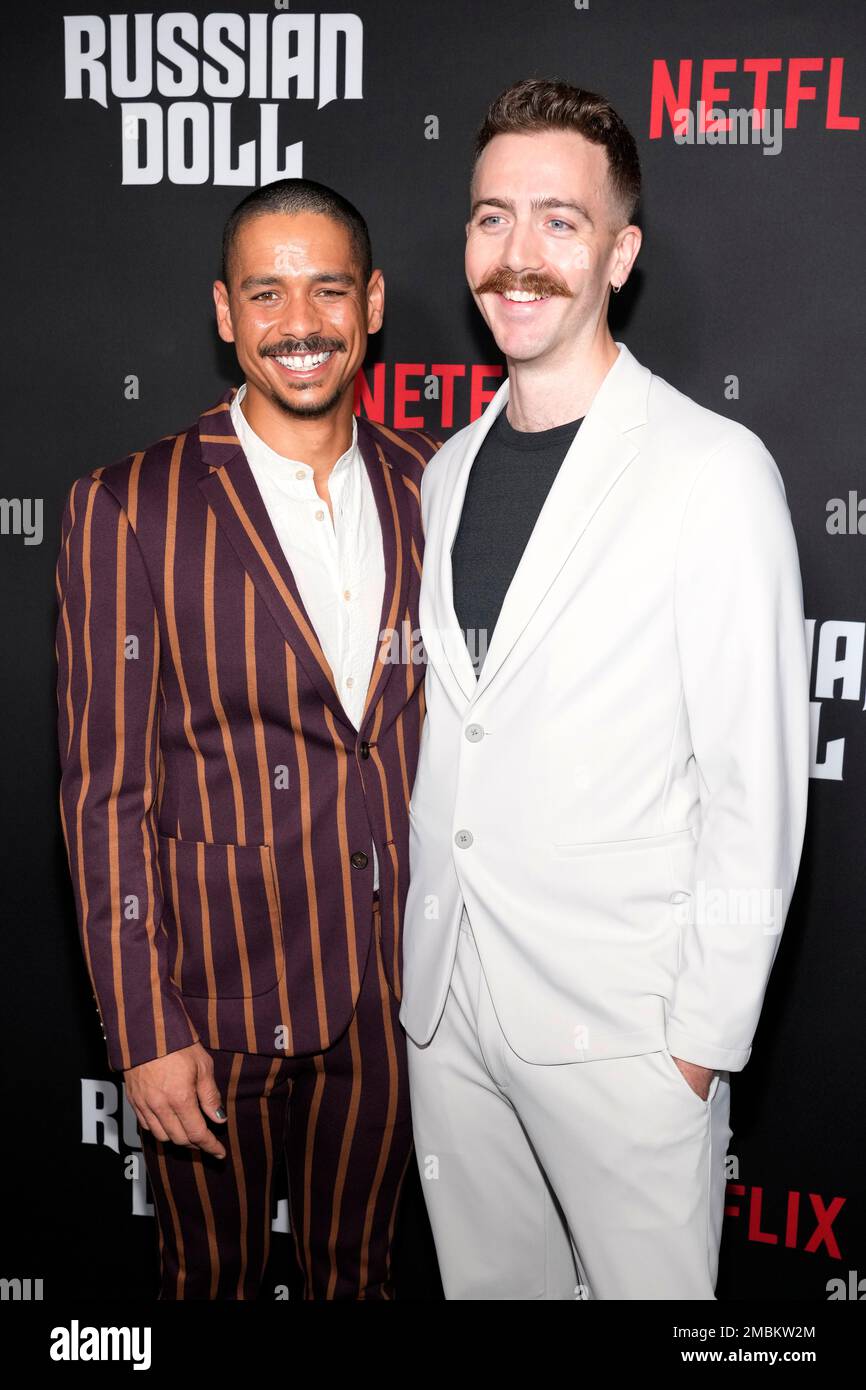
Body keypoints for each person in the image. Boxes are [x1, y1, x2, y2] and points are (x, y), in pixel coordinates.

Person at [400, 78, 811, 1300]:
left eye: (556, 221)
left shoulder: (711, 469)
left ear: (619, 252)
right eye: (489, 218)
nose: (514, 257)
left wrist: (695, 1045)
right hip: (449, 1007)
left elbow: (755, 785)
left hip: (624, 1033)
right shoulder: (448, 469)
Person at [55, 177, 439, 1299]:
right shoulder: (130, 504)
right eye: (266, 294)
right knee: (208, 1279)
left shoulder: (437, 487)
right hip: (211, 999)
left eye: (326, 289)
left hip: (395, 998)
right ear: (225, 312)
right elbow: (103, 791)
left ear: (370, 304)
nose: (299, 323)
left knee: (357, 1276)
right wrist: (139, 1029)